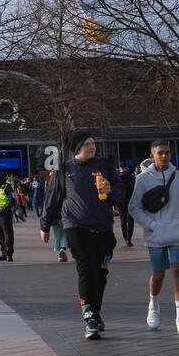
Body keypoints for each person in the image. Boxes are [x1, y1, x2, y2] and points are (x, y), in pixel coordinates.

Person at [39, 131, 123, 340]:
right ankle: (89, 318)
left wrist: (111, 189)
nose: (92, 147)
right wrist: (45, 225)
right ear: (77, 149)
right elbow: (52, 199)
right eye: (87, 144)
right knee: (85, 269)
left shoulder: (104, 165)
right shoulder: (64, 170)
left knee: (101, 272)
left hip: (103, 228)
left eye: (93, 144)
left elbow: (121, 195)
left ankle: (95, 310)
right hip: (76, 227)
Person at [128, 142, 179, 336]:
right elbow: (134, 207)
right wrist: (151, 225)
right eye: (160, 153)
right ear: (152, 155)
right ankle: (153, 302)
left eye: (167, 153)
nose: (164, 156)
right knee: (158, 274)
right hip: (155, 233)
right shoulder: (142, 179)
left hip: (177, 232)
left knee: (178, 269)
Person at [0, 178, 16, 261]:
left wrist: (2, 210)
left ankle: (9, 254)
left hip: (5, 214)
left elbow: (12, 201)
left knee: (7, 234)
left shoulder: (7, 187)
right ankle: (4, 253)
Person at [117, 163, 137, 247]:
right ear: (127, 168)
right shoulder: (132, 177)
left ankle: (125, 237)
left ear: (120, 168)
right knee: (130, 220)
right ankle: (129, 238)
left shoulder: (118, 178)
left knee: (123, 220)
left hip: (121, 201)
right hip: (130, 200)